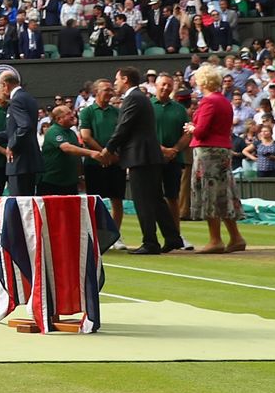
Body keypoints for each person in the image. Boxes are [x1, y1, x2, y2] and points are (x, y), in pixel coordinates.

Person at [101, 67, 185, 255]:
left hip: (140, 157)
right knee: (155, 198)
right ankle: (172, 237)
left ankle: (150, 242)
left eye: (117, 79)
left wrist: (109, 148)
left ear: (125, 79)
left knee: (143, 201)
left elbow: (124, 127)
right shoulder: (140, 98)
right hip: (147, 155)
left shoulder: (133, 98)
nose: (115, 83)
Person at [183, 64, 247, 253]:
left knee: (211, 194)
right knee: (223, 194)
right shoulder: (224, 101)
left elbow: (201, 131)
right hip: (222, 150)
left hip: (208, 152)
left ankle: (215, 239)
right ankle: (236, 237)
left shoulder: (209, 101)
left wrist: (191, 128)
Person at [77, 78, 126, 246]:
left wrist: (111, 154)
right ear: (96, 92)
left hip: (115, 160)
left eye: (111, 89)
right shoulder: (87, 112)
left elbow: (121, 134)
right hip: (94, 163)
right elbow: (86, 136)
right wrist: (103, 154)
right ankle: (96, 234)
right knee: (94, 201)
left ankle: (115, 235)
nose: (110, 93)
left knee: (117, 199)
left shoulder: (117, 112)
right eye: (106, 89)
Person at [151, 73, 190, 222]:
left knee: (173, 197)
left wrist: (174, 150)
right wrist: (162, 150)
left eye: (169, 85)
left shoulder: (179, 109)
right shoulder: (147, 106)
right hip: (152, 158)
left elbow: (187, 133)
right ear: (156, 85)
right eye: (163, 84)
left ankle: (176, 234)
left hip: (174, 159)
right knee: (153, 197)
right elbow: (143, 134)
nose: (166, 88)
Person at [40, 104, 102, 193]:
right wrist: (92, 153)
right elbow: (66, 148)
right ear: (59, 119)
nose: (73, 115)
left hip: (70, 182)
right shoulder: (53, 131)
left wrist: (80, 177)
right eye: (68, 114)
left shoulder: (72, 133)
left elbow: (77, 156)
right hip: (53, 182)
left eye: (72, 112)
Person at [0, 71, 42, 196]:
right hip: (29, 161)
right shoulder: (29, 98)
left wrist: (11, 146)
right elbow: (15, 130)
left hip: (19, 161)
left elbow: (25, 126)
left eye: (1, 86)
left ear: (5, 84)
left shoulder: (16, 100)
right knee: (27, 205)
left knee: (19, 205)